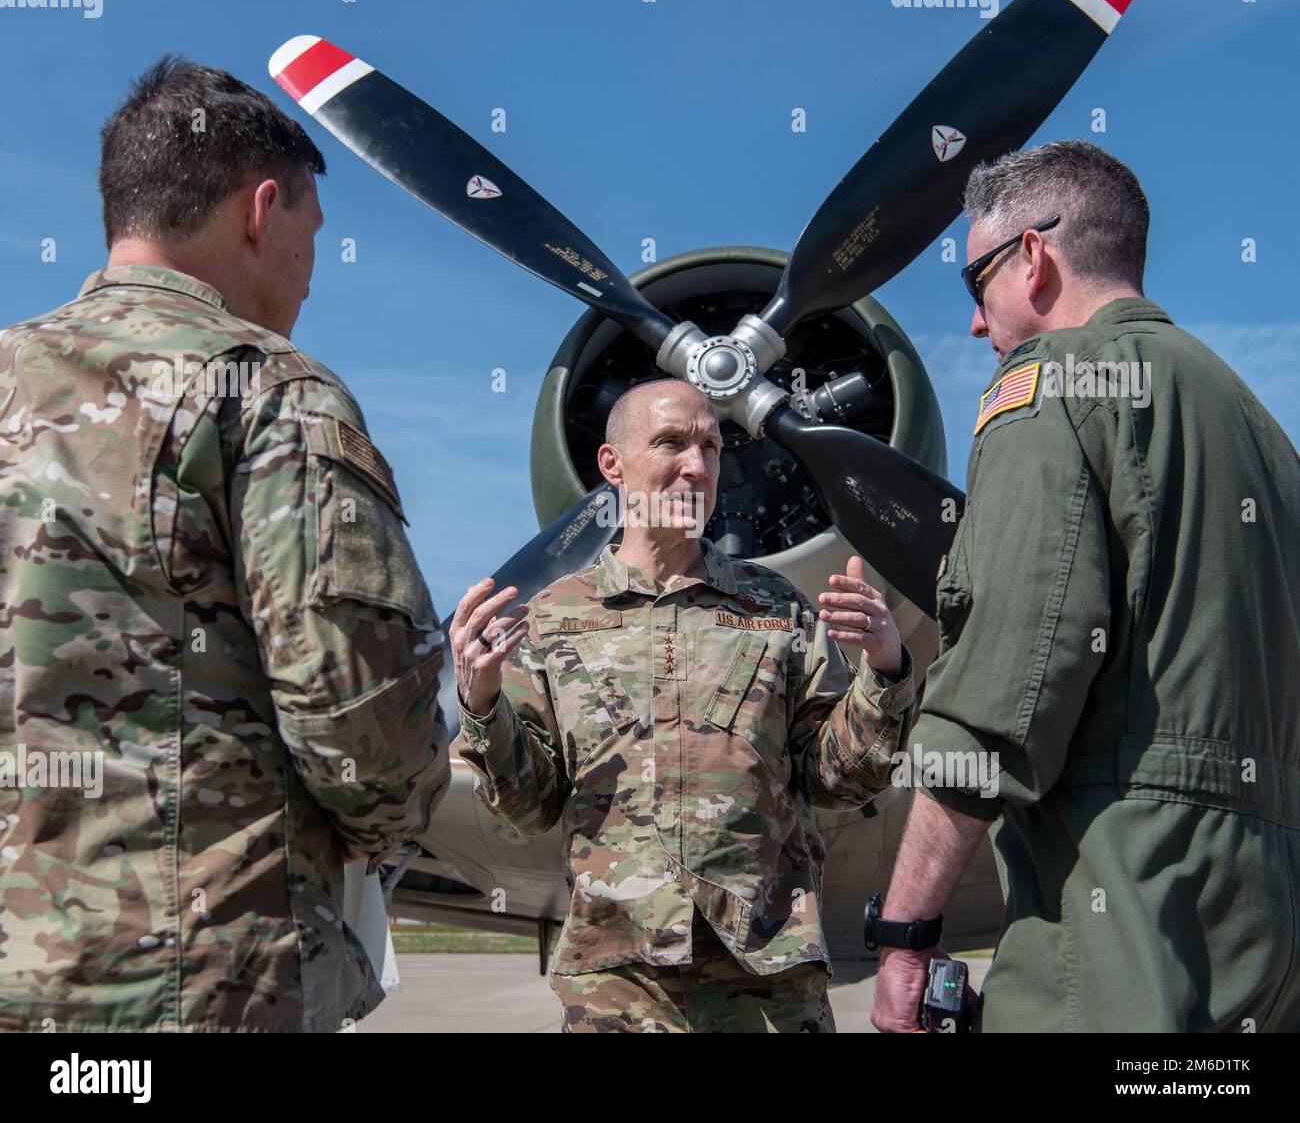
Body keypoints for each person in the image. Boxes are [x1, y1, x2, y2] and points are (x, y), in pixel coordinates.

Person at [0, 57, 449, 1032]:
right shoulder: (271, 388)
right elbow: (361, 727)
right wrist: (397, 824)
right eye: (312, 233)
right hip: (202, 981)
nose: (312, 266)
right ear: (261, 210)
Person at [870, 140, 1300, 1033]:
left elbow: (1001, 693)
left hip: (1123, 931)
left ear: (1033, 258)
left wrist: (906, 930)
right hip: (1266, 933)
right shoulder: (1256, 427)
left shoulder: (1054, 381)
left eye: (974, 284)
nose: (979, 328)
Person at [451, 378, 916, 1032]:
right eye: (671, 443)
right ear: (612, 464)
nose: (696, 467)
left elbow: (840, 781)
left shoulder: (778, 608)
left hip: (768, 983)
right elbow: (529, 806)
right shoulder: (552, 618)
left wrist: (884, 671)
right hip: (619, 986)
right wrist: (480, 699)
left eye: (712, 447)